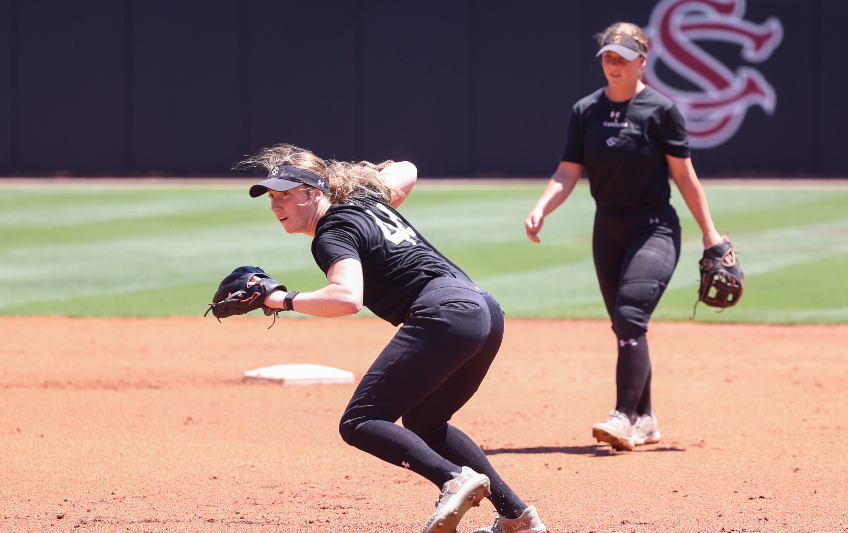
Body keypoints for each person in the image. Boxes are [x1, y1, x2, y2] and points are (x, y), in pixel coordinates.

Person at [241, 144, 547, 533]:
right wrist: (359, 180)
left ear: (315, 193)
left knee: (361, 421)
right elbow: (407, 168)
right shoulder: (365, 200)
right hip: (484, 310)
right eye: (271, 196)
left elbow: (346, 299)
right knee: (426, 421)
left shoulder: (331, 233)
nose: (275, 204)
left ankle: (453, 478)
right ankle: (517, 518)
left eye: (286, 194)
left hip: (446, 314)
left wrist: (280, 299)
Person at [524, 22, 726, 452]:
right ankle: (647, 420)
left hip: (654, 226)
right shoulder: (586, 111)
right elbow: (567, 171)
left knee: (631, 316)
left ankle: (623, 416)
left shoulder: (661, 110)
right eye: (607, 58)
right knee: (624, 325)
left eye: (622, 57)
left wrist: (710, 234)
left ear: (642, 60)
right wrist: (542, 207)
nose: (613, 64)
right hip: (608, 228)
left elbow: (684, 177)